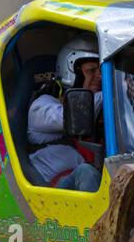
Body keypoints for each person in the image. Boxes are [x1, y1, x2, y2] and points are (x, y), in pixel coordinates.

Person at [27, 35, 105, 192]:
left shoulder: (100, 107)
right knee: (86, 172)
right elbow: (75, 115)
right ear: (71, 74)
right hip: (53, 189)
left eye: (101, 70)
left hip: (88, 184)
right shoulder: (41, 107)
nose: (100, 76)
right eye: (91, 71)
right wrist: (117, 88)